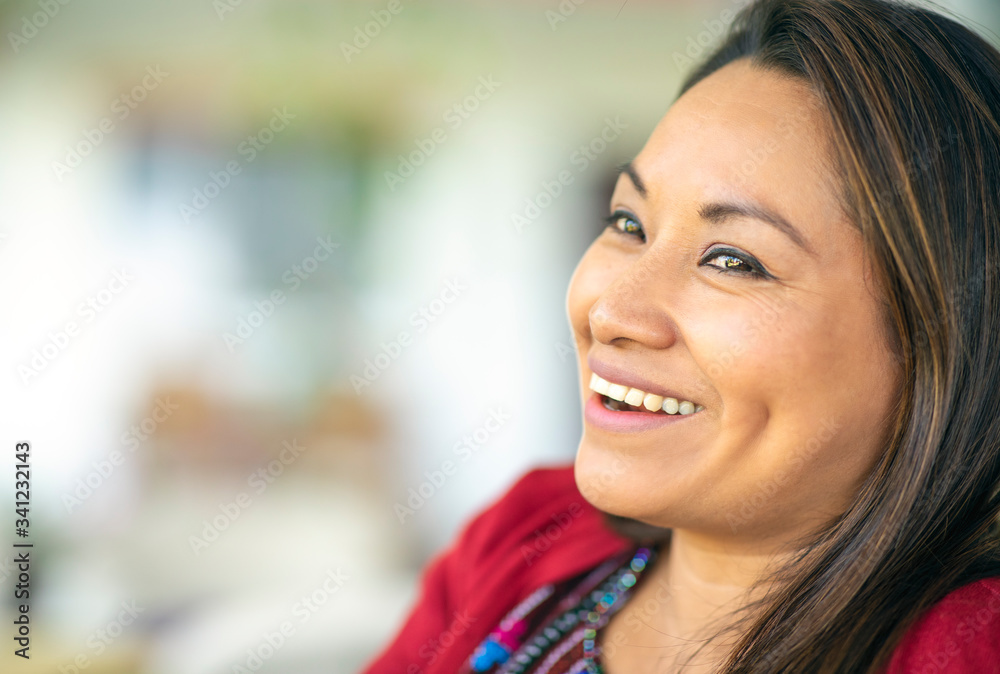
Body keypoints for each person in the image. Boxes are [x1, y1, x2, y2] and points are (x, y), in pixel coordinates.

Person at [361, 0, 1000, 671]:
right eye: (629, 224)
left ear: (941, 343)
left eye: (733, 260)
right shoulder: (527, 538)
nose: (615, 311)